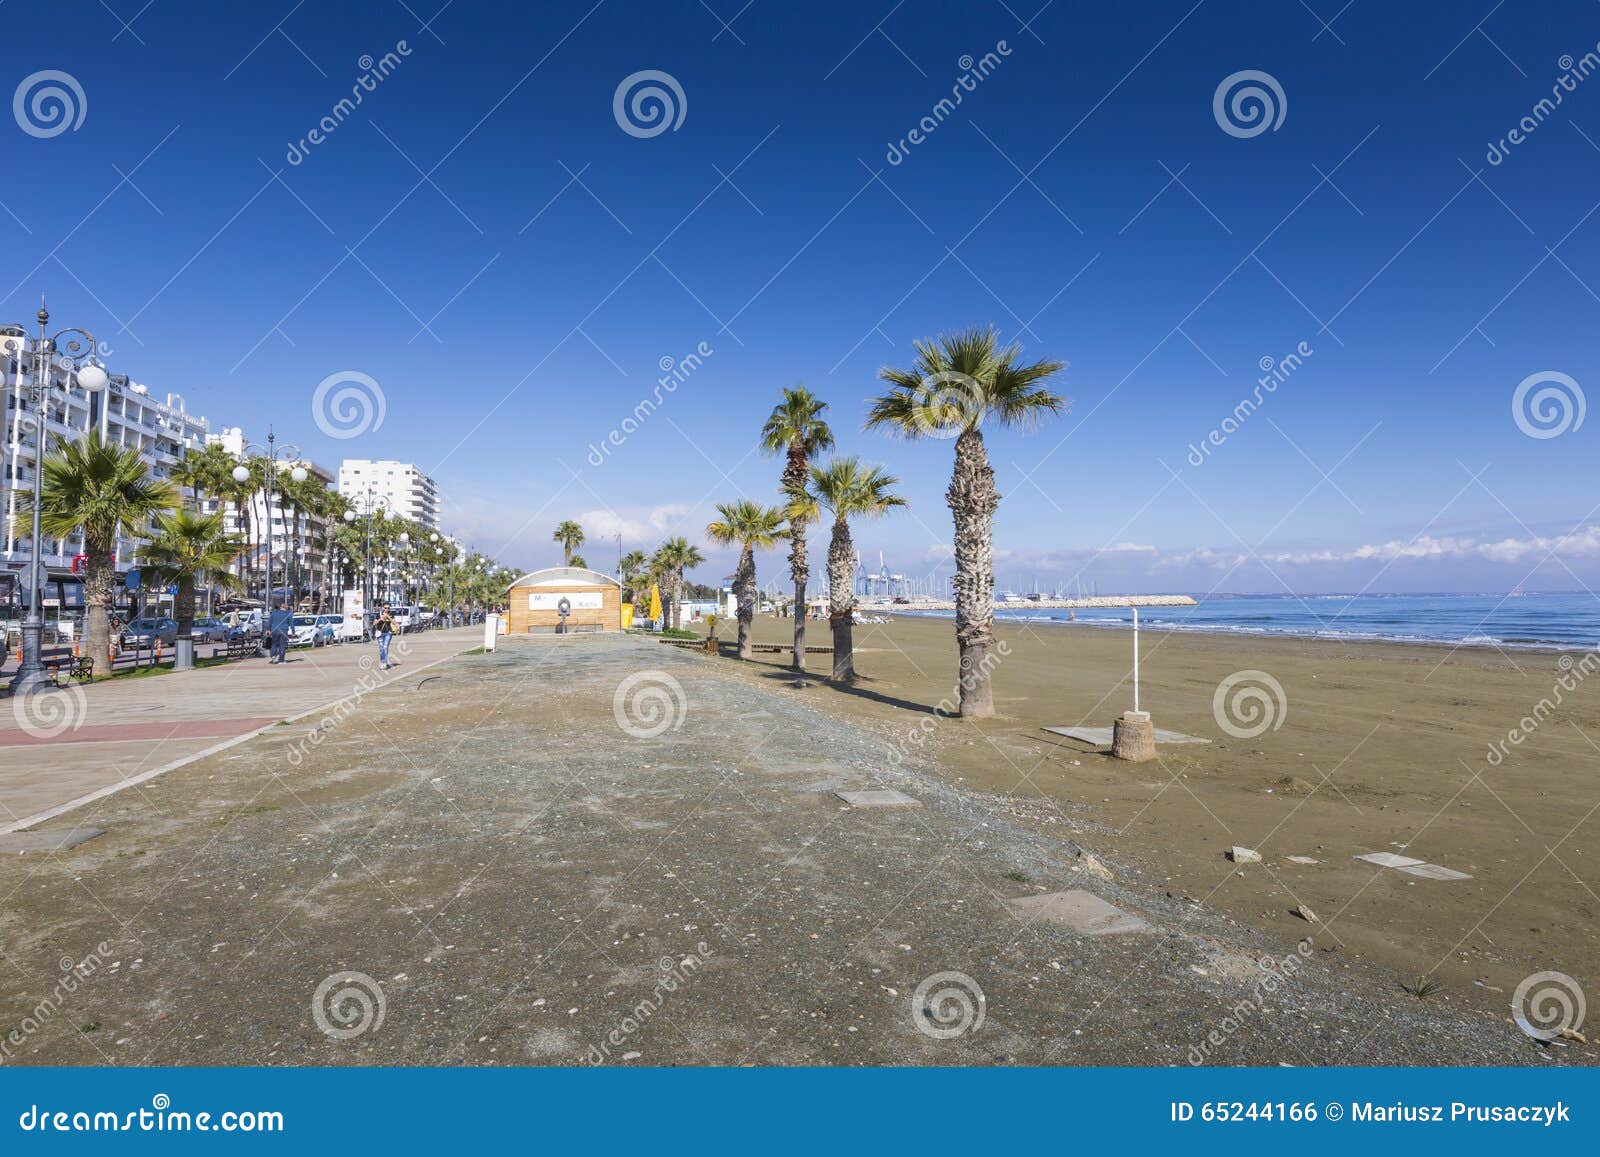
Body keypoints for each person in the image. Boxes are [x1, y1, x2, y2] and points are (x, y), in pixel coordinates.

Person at [375, 604, 395, 670]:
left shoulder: (391, 614)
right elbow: (374, 623)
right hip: (380, 633)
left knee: (385, 647)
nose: (387, 609)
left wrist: (388, 617)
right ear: (383, 608)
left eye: (388, 608)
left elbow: (394, 623)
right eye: (385, 608)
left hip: (388, 633)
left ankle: (384, 663)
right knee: (381, 649)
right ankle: (382, 662)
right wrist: (381, 619)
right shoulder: (379, 614)